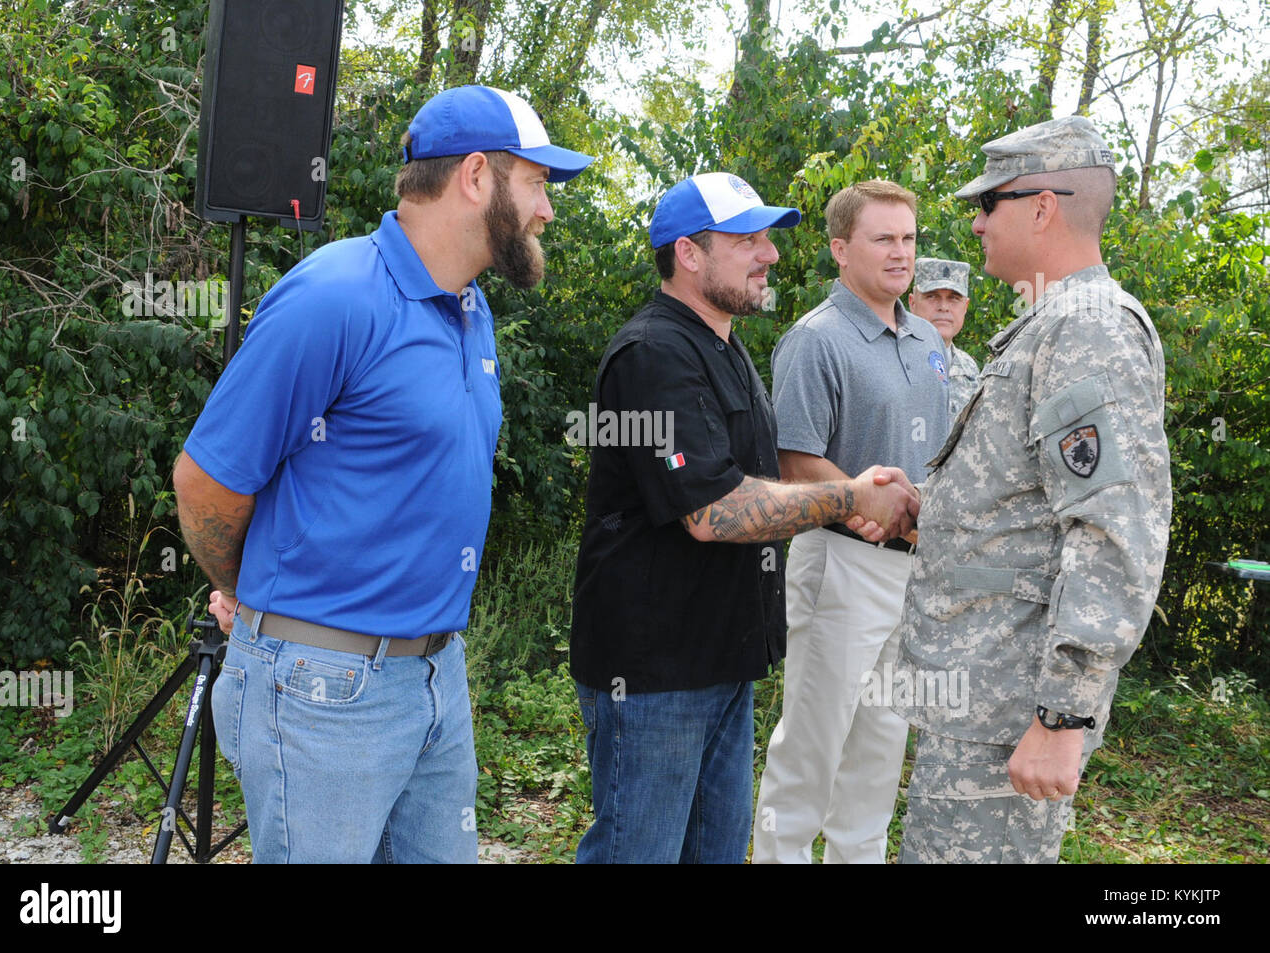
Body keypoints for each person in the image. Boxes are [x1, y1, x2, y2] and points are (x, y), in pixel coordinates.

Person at [171, 85, 594, 863]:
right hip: (321, 693)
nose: (547, 210)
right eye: (537, 182)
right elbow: (206, 480)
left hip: (437, 678)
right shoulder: (333, 297)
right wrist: (260, 589)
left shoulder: (470, 309)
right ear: (476, 176)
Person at [569, 172, 919, 864]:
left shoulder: (724, 347)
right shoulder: (653, 355)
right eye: (749, 240)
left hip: (722, 663)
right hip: (653, 676)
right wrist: (853, 496)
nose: (773, 254)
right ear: (690, 254)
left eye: (769, 238)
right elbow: (713, 510)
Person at [890, 115, 1172, 863]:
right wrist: (935, 508)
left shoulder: (1089, 329)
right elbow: (1033, 503)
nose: (977, 223)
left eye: (990, 204)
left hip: (1015, 711)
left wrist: (1062, 714)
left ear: (1043, 206)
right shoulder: (1051, 325)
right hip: (985, 699)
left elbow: (1115, 530)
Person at [752, 180, 951, 864]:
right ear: (840, 249)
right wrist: (864, 505)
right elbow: (795, 459)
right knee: (810, 750)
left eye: (909, 238)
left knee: (877, 756)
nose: (902, 253)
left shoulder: (930, 339)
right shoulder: (816, 340)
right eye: (883, 238)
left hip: (913, 568)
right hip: (840, 562)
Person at [908, 257, 980, 419]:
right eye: (932, 296)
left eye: (954, 298)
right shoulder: (893, 360)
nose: (943, 307)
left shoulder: (969, 368)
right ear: (912, 303)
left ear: (965, 307)